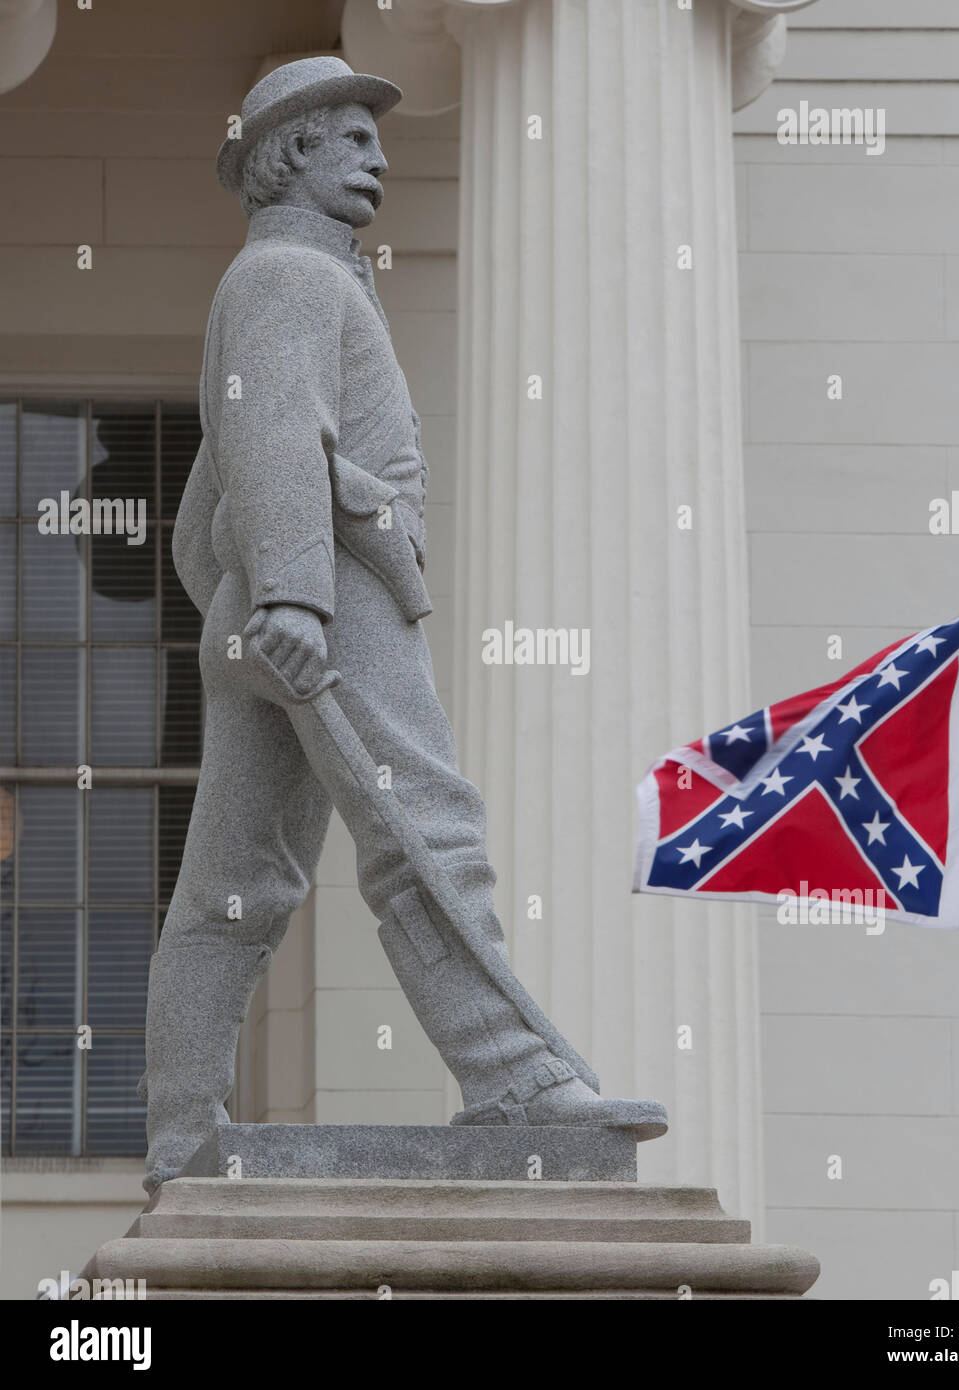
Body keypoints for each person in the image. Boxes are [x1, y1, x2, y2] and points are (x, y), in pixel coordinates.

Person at [140, 57, 667, 1195]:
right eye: (348, 137)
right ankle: (516, 1077)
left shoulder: (290, 279)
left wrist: (242, 602)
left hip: (294, 598)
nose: (379, 154)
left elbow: (201, 507)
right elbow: (276, 438)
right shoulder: (289, 276)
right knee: (425, 822)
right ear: (289, 152)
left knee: (239, 878)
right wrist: (289, 595)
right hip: (331, 594)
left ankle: (182, 1133)